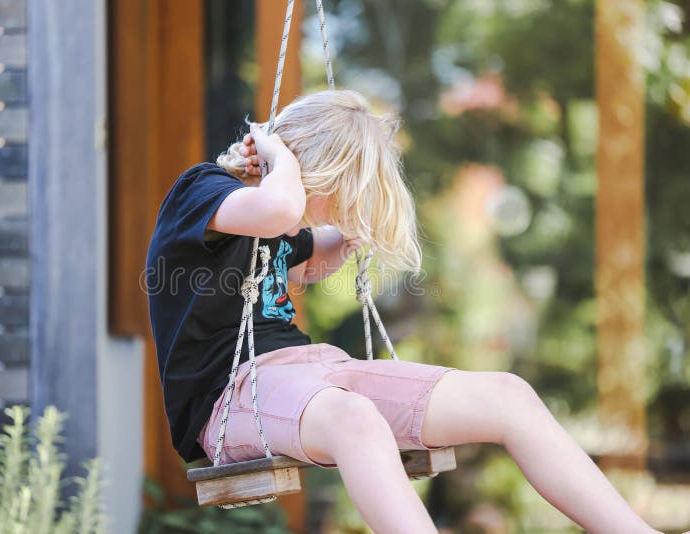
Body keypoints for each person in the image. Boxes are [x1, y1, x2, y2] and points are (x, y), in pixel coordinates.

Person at [145, 90, 661, 534]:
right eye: (336, 185)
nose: (327, 204)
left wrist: (347, 236)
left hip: (313, 371)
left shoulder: (280, 219)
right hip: (232, 396)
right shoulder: (204, 191)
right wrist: (277, 153)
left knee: (508, 395)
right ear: (300, 165)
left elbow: (311, 258)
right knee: (354, 418)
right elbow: (278, 210)